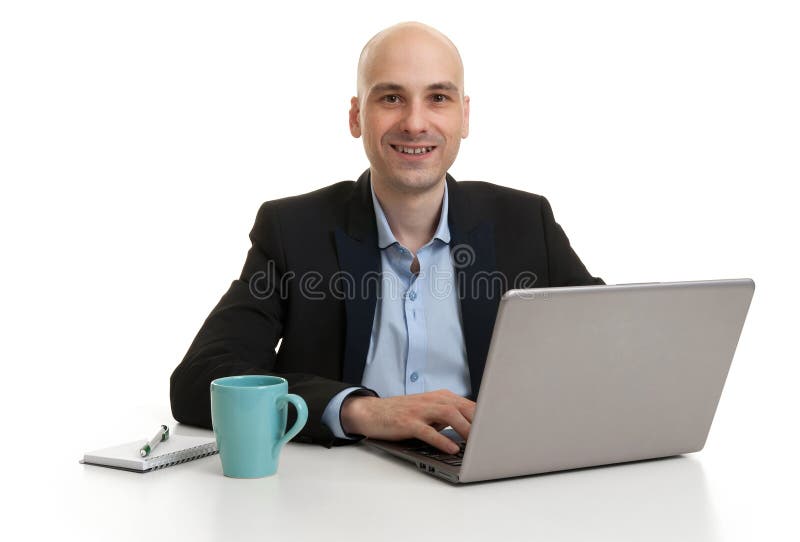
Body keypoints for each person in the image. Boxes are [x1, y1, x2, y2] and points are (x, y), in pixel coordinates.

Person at [169, 21, 603, 455]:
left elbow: (614, 348)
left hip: (491, 483)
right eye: (391, 98)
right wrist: (361, 411)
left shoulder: (527, 222)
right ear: (357, 116)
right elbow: (199, 380)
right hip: (336, 496)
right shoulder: (292, 230)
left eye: (438, 98)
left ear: (464, 115)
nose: (415, 123)